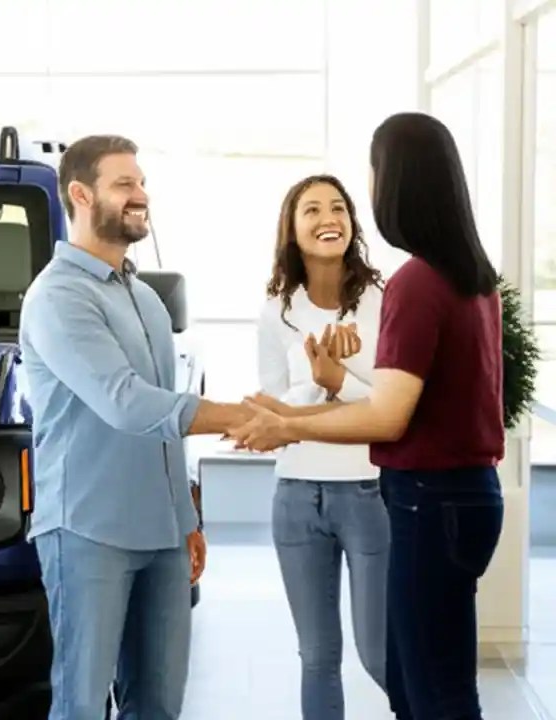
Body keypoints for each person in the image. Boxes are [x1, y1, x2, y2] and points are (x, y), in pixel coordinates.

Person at [229, 112, 505, 720]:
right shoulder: (474, 280)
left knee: (422, 685)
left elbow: (388, 416)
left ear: (396, 185)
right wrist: (296, 406)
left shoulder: (412, 285)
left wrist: (294, 422)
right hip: (465, 495)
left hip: (424, 500)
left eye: (372, 176)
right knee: (431, 680)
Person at [19, 134, 254, 720]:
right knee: (80, 705)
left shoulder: (146, 300)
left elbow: (165, 416)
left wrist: (188, 518)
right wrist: (243, 416)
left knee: (158, 707)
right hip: (87, 533)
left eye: (142, 182)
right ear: (80, 194)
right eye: (125, 184)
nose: (141, 195)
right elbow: (126, 404)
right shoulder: (57, 297)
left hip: (163, 536)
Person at [257, 174, 389, 720]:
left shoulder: (384, 302)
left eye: (337, 207)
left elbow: (392, 406)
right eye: (311, 209)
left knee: (380, 653)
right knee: (317, 657)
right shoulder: (277, 308)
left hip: (369, 492)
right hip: (295, 495)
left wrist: (338, 380)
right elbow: (270, 400)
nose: (327, 217)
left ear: (352, 224)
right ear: (292, 228)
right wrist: (314, 382)